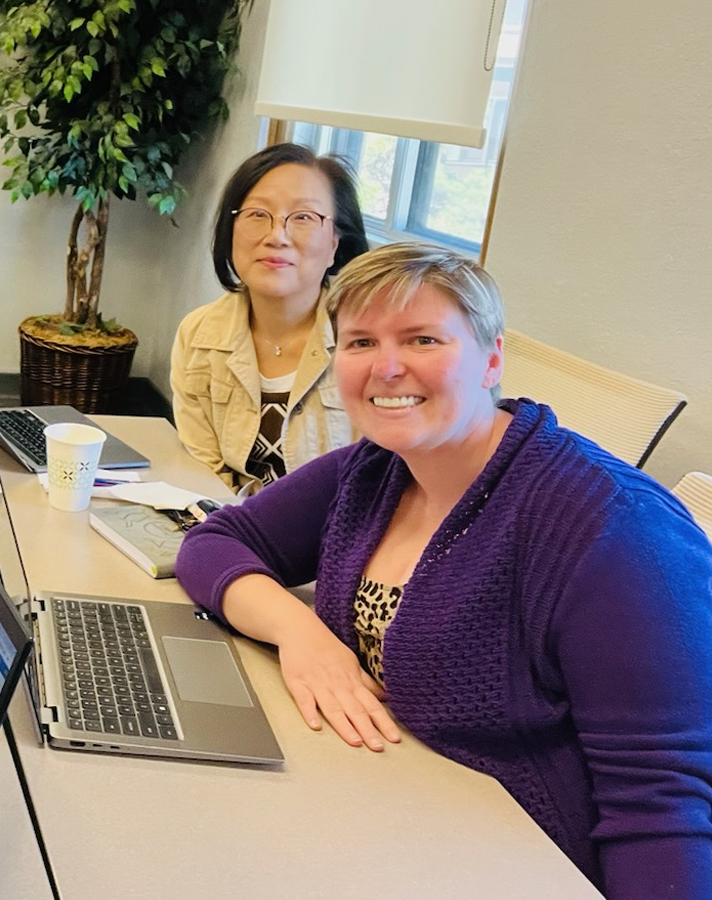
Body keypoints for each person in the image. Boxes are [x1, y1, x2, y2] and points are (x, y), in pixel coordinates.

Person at [175, 242, 712, 897]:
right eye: (361, 342)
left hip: (524, 862)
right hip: (383, 809)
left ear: (492, 358)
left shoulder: (615, 530)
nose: (387, 367)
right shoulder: (374, 469)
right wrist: (302, 632)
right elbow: (214, 543)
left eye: (423, 339)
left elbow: (660, 807)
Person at [170, 143, 369, 495]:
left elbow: (376, 486)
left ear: (336, 243)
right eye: (258, 215)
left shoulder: (370, 343)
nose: (276, 236)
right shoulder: (198, 335)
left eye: (304, 217)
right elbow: (205, 475)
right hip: (233, 531)